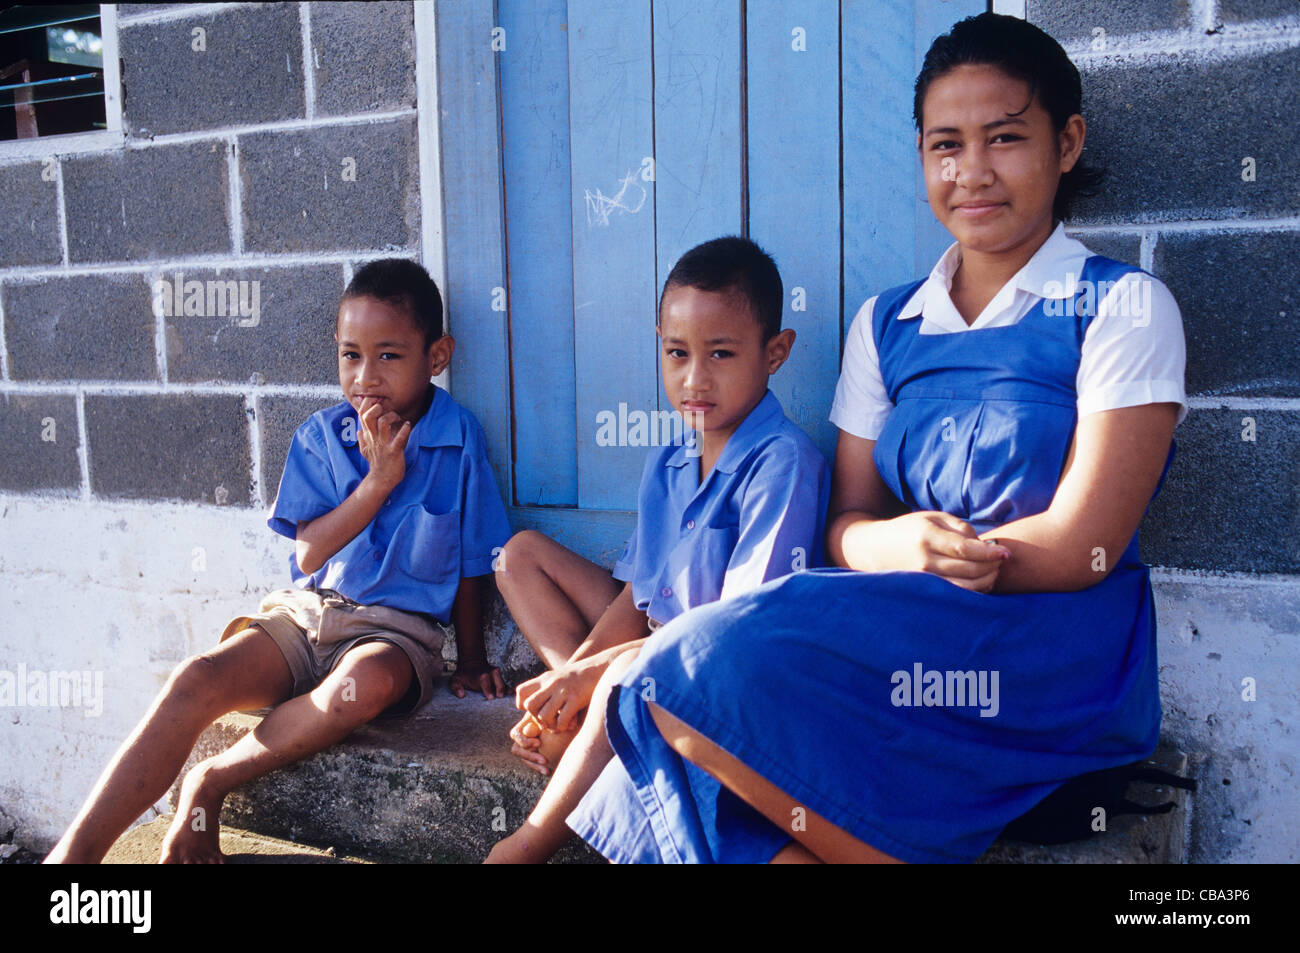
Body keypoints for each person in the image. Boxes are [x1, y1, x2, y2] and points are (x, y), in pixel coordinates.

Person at [566, 12, 1187, 863]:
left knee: (695, 680)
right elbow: (847, 521)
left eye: (1004, 138)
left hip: (1049, 647)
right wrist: (896, 541)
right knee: (694, 715)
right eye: (945, 145)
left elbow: (1087, 543)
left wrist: (949, 563)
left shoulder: (1121, 307)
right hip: (896, 617)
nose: (972, 172)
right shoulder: (887, 322)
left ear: (1067, 142)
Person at [45, 258, 512, 864]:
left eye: (389, 356)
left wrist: (471, 660)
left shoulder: (459, 437)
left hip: (396, 634)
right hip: (308, 615)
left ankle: (208, 781)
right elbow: (310, 550)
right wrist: (377, 484)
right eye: (351, 355)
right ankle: (71, 862)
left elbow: (475, 559)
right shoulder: (322, 436)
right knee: (196, 679)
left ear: (437, 356)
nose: (365, 377)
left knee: (358, 688)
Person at [484, 237, 830, 862]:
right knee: (518, 555)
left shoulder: (784, 464)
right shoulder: (668, 462)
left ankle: (530, 840)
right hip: (651, 642)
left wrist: (599, 672)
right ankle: (593, 719)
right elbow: (636, 600)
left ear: (775, 352)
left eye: (721, 353)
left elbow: (732, 636)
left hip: (725, 673)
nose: (694, 379)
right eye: (677, 353)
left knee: (617, 670)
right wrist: (573, 676)